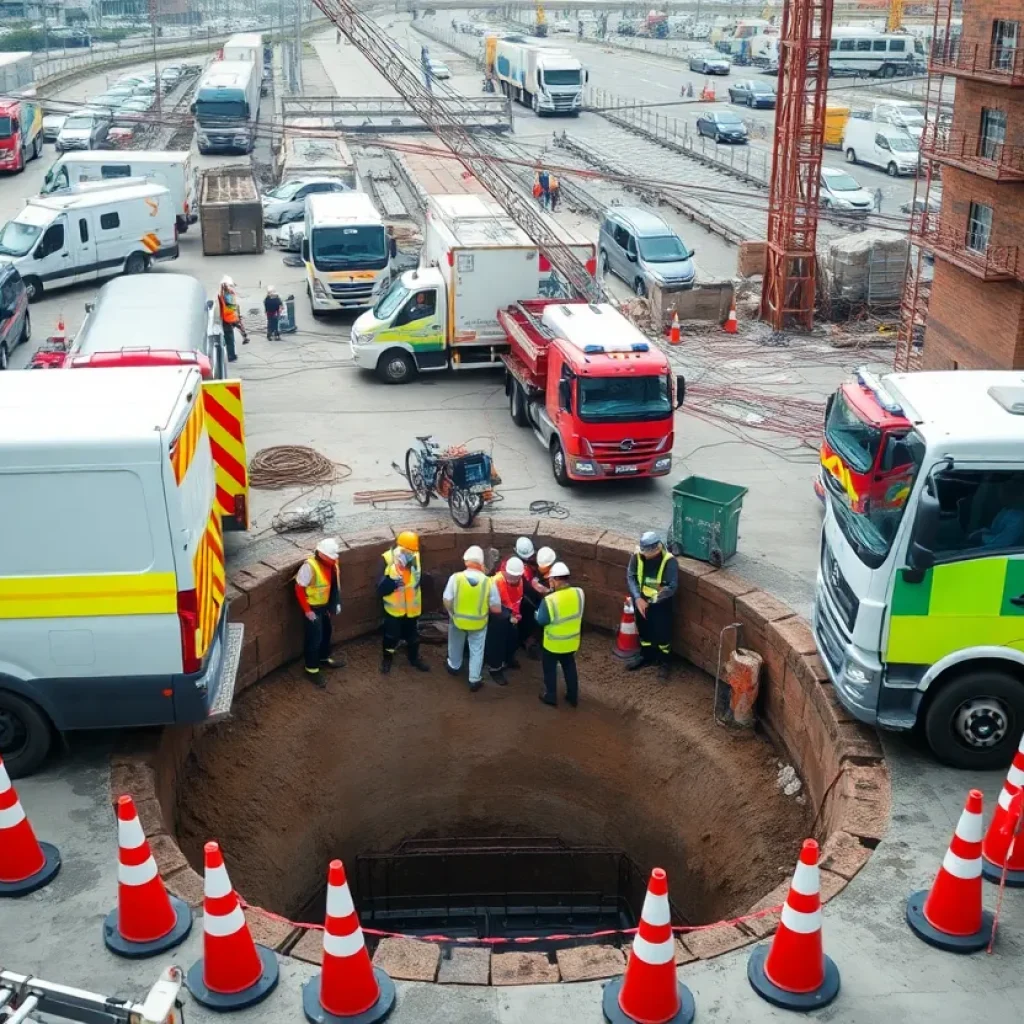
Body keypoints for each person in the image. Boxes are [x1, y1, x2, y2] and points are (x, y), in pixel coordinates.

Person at [444, 545, 502, 692]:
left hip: (458, 621)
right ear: (481, 564)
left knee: (455, 643)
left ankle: (454, 666)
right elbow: (496, 608)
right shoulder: (489, 582)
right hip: (479, 623)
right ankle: (474, 679)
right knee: (477, 650)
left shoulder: (455, 578)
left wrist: (452, 613)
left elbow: (447, 599)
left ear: (466, 562)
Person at [626, 531, 678, 680]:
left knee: (663, 633)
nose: (644, 555)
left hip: (660, 604)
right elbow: (631, 576)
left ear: (656, 549)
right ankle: (646, 655)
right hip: (642, 601)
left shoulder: (669, 561)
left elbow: (671, 587)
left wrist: (652, 601)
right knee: (643, 629)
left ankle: (665, 662)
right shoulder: (637, 556)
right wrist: (637, 598)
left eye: (647, 552)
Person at [377, 531, 430, 675]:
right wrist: (394, 582)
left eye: (413, 551)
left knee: (413, 636)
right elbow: (380, 588)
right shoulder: (387, 560)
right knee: (390, 637)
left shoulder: (416, 557)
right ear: (399, 548)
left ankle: (414, 659)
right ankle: (387, 659)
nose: (411, 554)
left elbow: (418, 580)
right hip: (394, 610)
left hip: (412, 609)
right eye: (408, 551)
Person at [294, 538, 343, 687]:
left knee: (327, 632)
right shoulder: (309, 567)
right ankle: (312, 669)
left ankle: (324, 658)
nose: (334, 559)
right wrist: (307, 611)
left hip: (324, 606)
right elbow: (299, 588)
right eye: (331, 556)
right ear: (321, 554)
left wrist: (333, 605)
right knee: (314, 638)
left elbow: (333, 585)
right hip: (313, 608)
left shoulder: (333, 563)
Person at [536, 562, 583, 707]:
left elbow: (542, 620)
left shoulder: (549, 600)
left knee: (549, 670)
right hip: (572, 642)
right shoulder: (579, 593)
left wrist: (536, 614)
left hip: (553, 644)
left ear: (554, 580)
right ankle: (572, 696)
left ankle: (550, 696)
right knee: (569, 667)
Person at [485, 556, 525, 684]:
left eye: (516, 577)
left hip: (511, 616)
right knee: (497, 643)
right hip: (497, 617)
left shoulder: (520, 581)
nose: (513, 580)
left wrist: (516, 615)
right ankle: (495, 668)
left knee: (513, 638)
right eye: (511, 576)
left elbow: (517, 599)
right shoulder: (496, 581)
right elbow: (494, 603)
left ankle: (508, 659)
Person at [522, 545, 557, 656]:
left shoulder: (544, 580)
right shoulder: (545, 577)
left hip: (541, 607)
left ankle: (534, 645)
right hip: (536, 605)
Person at [218, 276, 247, 363]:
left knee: (227, 338)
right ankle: (231, 356)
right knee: (230, 339)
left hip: (223, 319)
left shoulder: (220, 295)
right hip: (228, 320)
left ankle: (228, 354)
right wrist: (237, 318)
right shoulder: (228, 295)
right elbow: (232, 307)